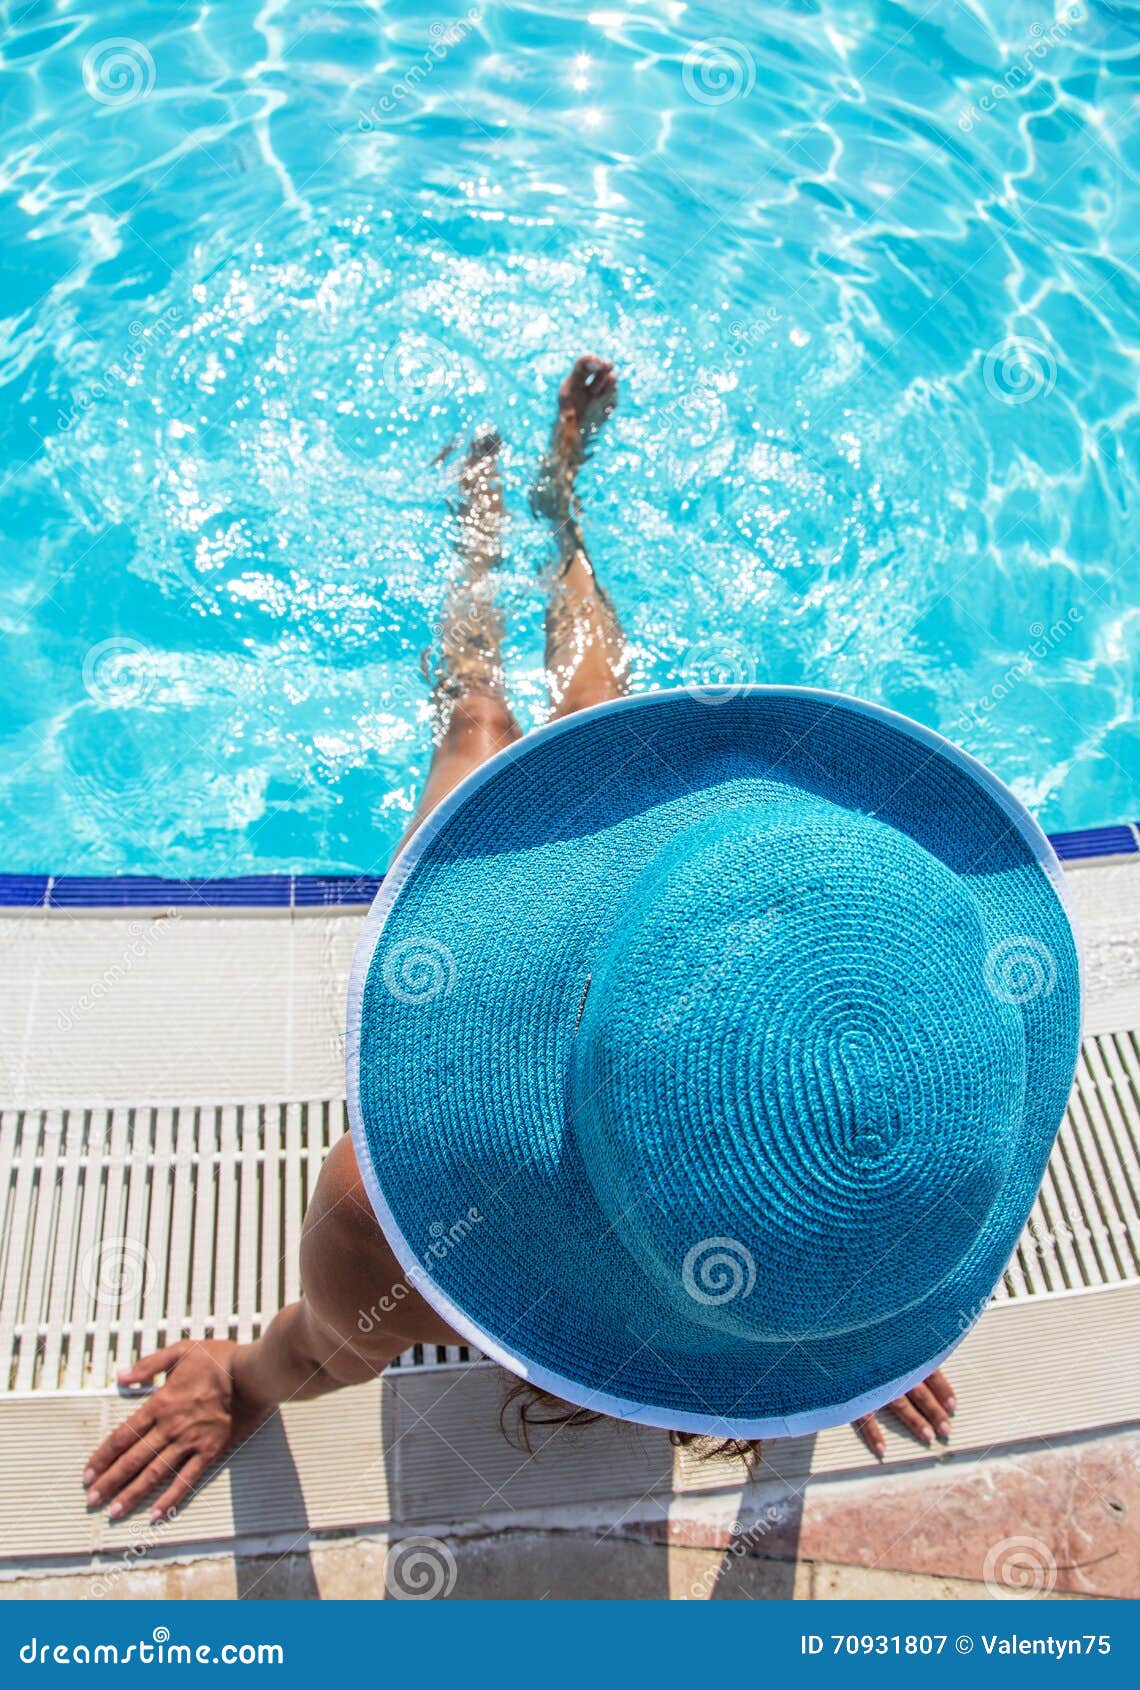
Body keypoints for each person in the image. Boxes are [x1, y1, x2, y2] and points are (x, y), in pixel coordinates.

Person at [82, 356, 966, 1523]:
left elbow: (318, 1354)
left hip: (580, 962)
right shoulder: (386, 1202)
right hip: (605, 957)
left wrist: (851, 1310)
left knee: (494, 721)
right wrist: (831, 1333)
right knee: (565, 698)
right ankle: (532, 509)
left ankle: (526, 504)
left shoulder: (405, 1225)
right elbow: (310, 1351)